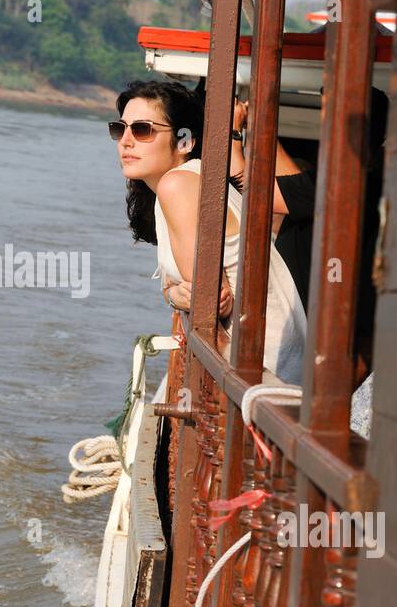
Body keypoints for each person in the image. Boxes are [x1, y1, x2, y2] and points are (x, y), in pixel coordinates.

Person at [112, 80, 305, 383]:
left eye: (142, 130)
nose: (125, 141)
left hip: (267, 376)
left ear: (184, 141)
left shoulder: (178, 185)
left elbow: (211, 298)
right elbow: (183, 287)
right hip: (266, 369)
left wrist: (181, 294)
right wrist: (174, 293)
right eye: (119, 129)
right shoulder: (188, 181)